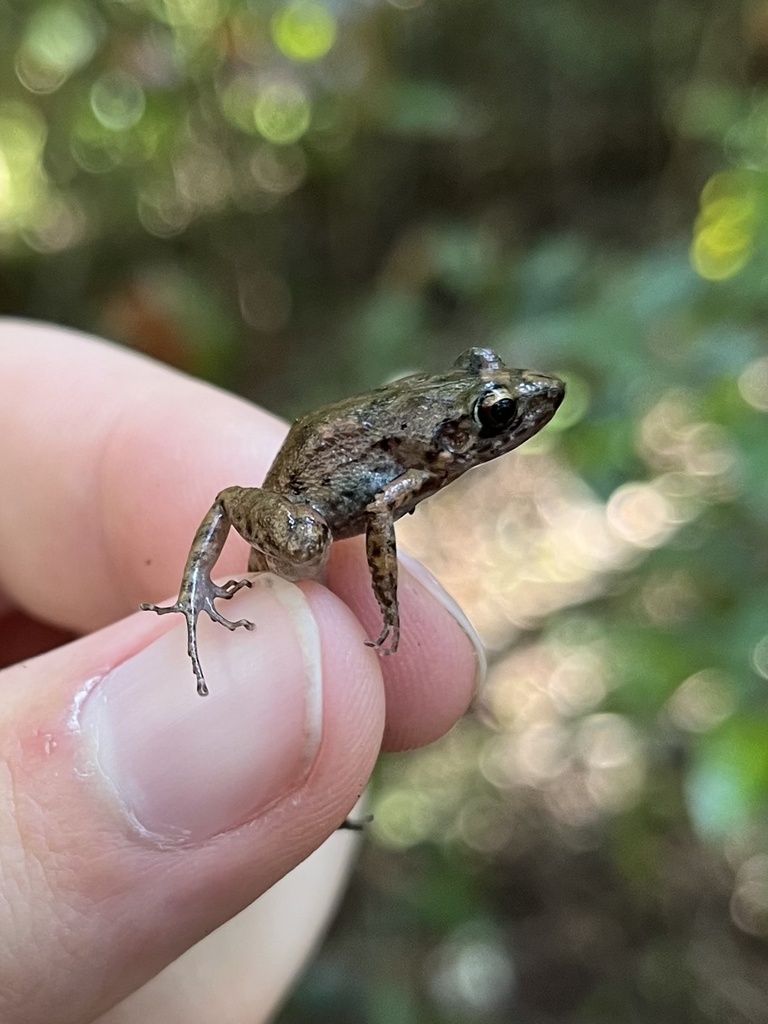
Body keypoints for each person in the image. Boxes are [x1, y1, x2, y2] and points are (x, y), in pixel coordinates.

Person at [0, 320, 482, 1024]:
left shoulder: (429, 437)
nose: (508, 419)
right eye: (491, 415)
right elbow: (376, 511)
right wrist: (387, 603)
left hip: (314, 484)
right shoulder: (426, 453)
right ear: (456, 430)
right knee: (308, 548)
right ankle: (197, 587)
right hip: (303, 505)